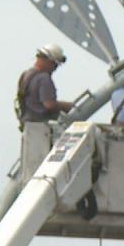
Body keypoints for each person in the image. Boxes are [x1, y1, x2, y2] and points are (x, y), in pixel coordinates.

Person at [16, 43, 73, 175]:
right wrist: (67, 106)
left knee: (30, 172)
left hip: (29, 127)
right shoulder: (43, 78)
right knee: (43, 172)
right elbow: (49, 104)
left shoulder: (26, 75)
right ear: (48, 61)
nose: (55, 68)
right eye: (54, 64)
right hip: (42, 130)